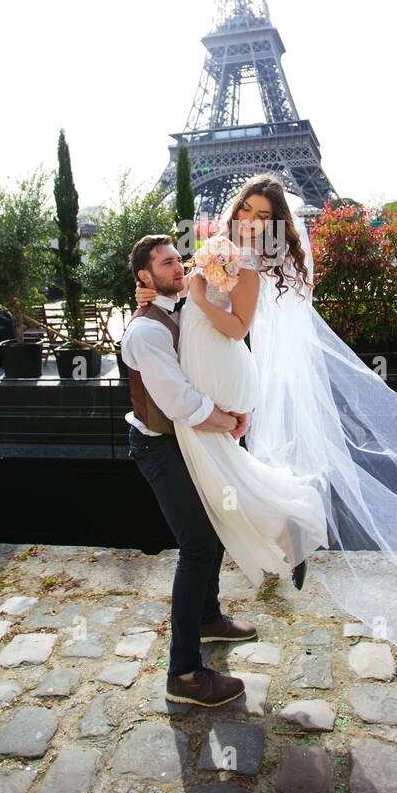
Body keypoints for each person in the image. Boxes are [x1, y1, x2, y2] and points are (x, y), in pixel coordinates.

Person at [135, 174, 397, 656]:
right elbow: (181, 297)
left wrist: (200, 293)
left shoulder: (246, 266)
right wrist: (157, 297)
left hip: (212, 385)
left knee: (223, 492)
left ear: (277, 227)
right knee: (224, 492)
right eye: (246, 210)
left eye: (264, 216)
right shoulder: (217, 250)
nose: (251, 221)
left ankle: (294, 527)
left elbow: (235, 326)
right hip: (208, 384)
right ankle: (279, 541)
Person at [121, 235, 256, 709]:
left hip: (187, 440)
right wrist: (229, 420)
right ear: (144, 276)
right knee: (197, 545)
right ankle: (184, 674)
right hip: (159, 446)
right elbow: (178, 401)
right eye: (165, 263)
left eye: (179, 259)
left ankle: (208, 617)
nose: (178, 267)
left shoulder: (181, 305)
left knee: (213, 530)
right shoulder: (145, 331)